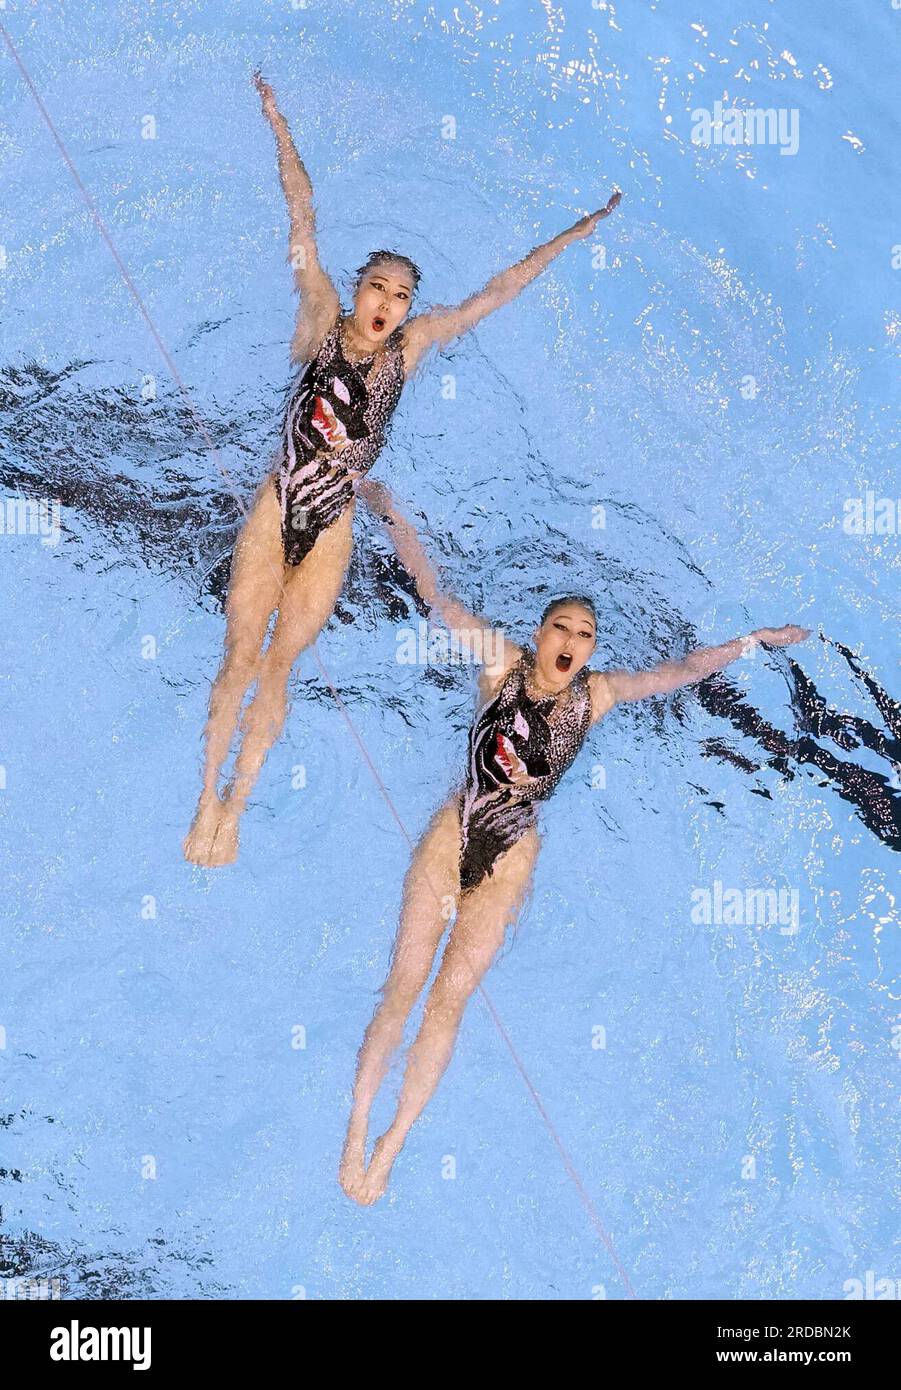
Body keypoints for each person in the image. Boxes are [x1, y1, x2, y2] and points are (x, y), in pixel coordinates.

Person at [182, 70, 622, 866]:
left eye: (401, 293)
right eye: (377, 287)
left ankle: (237, 808)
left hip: (334, 525)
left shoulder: (411, 350)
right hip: (278, 504)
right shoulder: (319, 315)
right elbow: (301, 215)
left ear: (410, 306)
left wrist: (575, 233)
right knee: (240, 654)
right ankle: (204, 792)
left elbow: (498, 292)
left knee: (281, 662)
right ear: (356, 292)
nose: (387, 301)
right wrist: (278, 124)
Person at [339, 480, 810, 1203]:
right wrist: (385, 508)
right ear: (539, 633)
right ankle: (355, 1130)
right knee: (402, 989)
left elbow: (681, 671)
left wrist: (755, 640)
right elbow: (431, 592)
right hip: (452, 832)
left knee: (448, 1003)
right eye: (561, 626)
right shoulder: (498, 663)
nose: (571, 642)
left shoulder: (597, 696)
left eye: (584, 635)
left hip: (510, 855)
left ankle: (393, 1141)